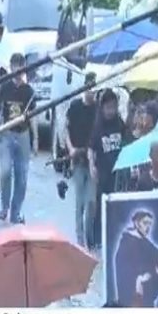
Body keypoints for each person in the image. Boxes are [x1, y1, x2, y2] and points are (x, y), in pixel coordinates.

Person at [0, 53, 37, 224]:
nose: (19, 70)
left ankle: (16, 211)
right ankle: (4, 206)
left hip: (23, 135)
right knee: (5, 172)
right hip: (6, 134)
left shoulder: (29, 91)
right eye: (16, 66)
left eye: (21, 66)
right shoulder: (4, 88)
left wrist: (35, 139)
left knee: (22, 176)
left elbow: (33, 115)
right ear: (11, 67)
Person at [89, 89, 129, 249]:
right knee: (101, 207)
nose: (111, 111)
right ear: (103, 108)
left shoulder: (119, 124)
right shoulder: (98, 127)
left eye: (114, 107)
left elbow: (126, 143)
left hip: (118, 175)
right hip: (103, 174)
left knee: (118, 207)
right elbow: (91, 149)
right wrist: (92, 166)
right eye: (108, 107)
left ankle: (116, 237)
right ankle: (97, 239)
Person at [65, 73, 98, 247]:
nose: (91, 92)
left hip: (92, 162)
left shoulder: (98, 109)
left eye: (94, 89)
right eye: (89, 88)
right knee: (79, 203)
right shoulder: (75, 106)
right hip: (77, 160)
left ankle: (89, 237)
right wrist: (70, 149)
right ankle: (80, 241)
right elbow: (67, 130)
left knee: (91, 202)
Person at [114, 210, 158, 307]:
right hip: (132, 300)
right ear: (136, 223)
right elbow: (122, 270)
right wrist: (138, 279)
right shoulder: (126, 243)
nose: (148, 227)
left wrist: (155, 272)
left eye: (150, 224)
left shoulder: (147, 244)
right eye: (145, 223)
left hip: (146, 299)